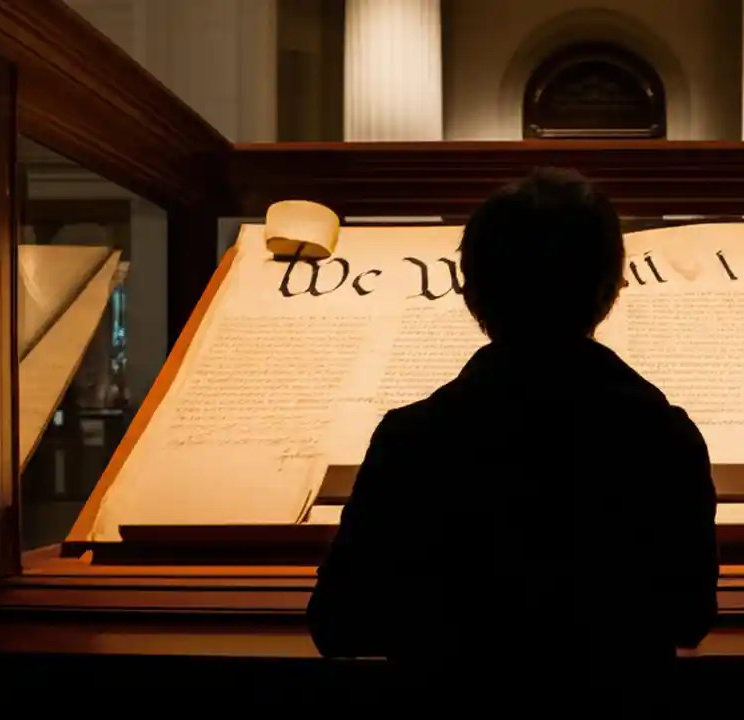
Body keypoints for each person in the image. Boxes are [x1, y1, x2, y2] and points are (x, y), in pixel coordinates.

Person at [307, 167, 718, 711]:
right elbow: (688, 616)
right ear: (610, 288)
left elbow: (339, 624)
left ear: (470, 287)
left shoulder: (412, 439)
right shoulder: (665, 436)